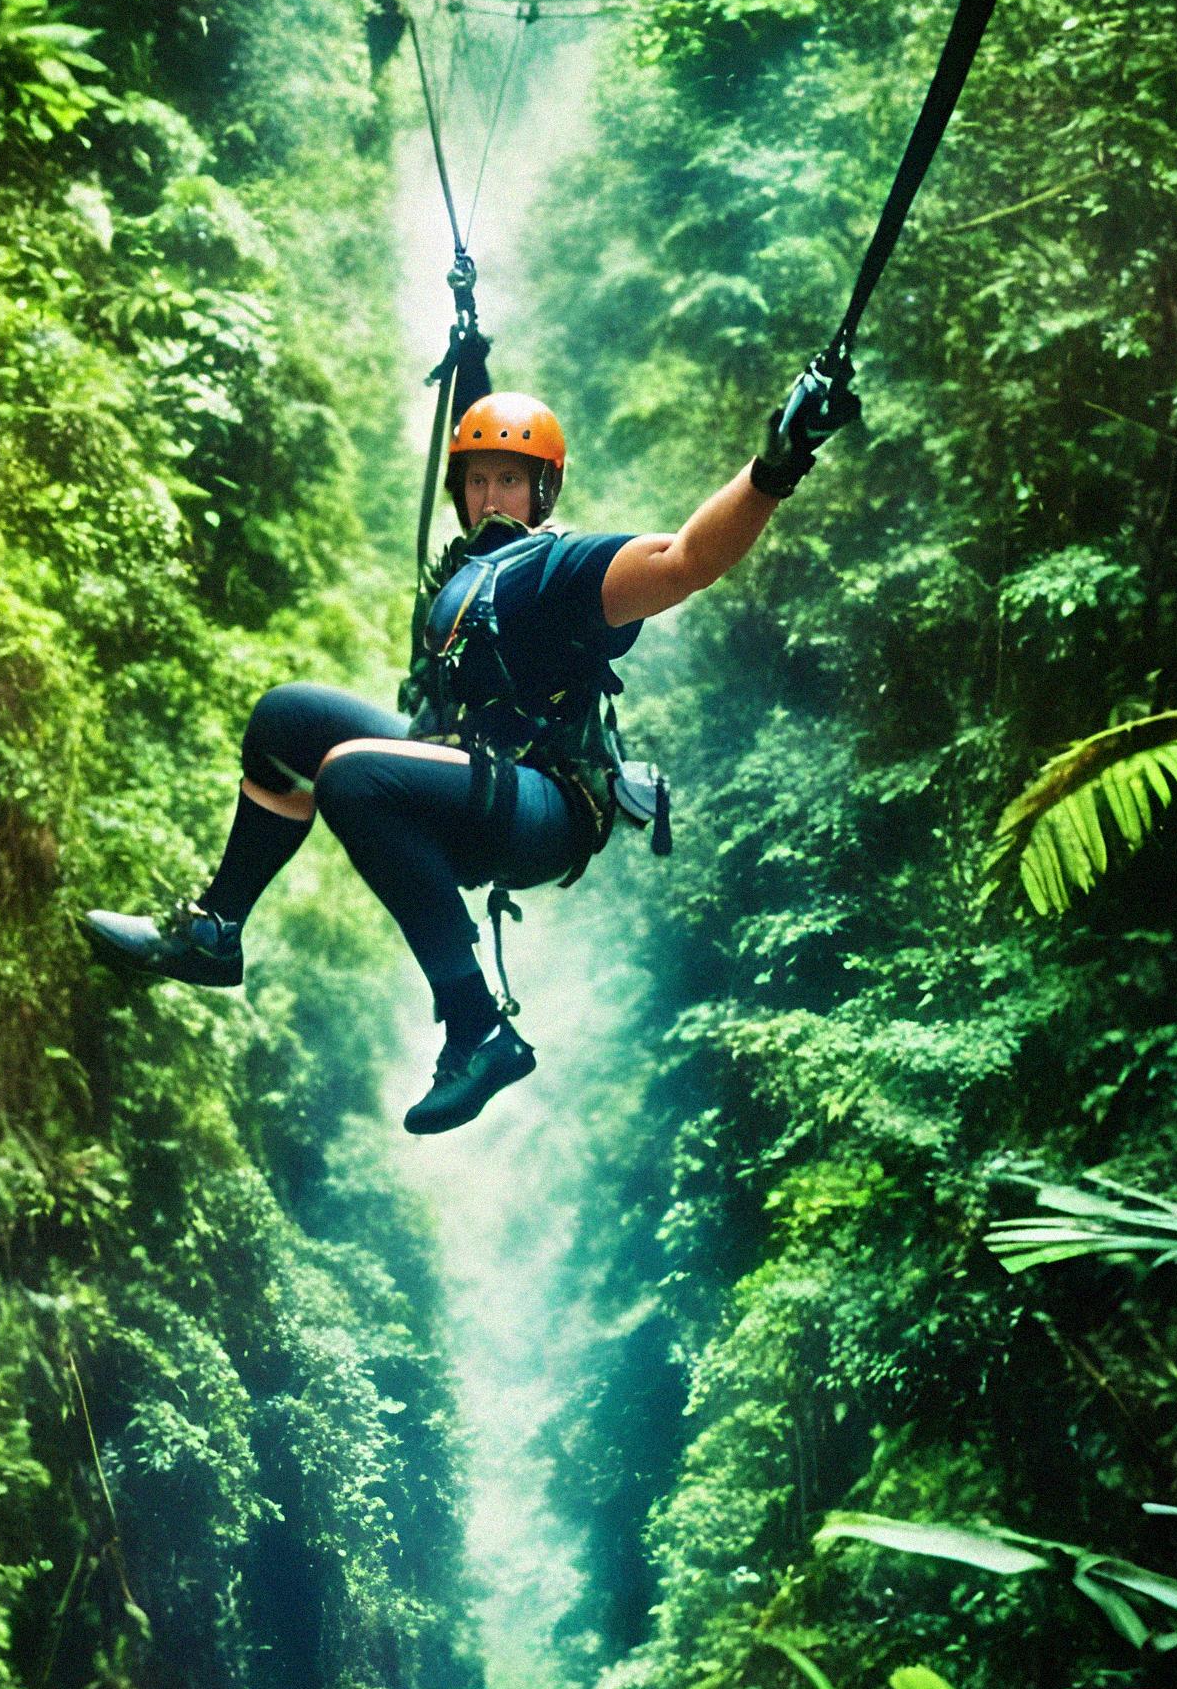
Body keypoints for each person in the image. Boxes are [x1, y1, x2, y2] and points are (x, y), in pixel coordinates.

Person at [82, 359, 857, 1135]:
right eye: (477, 481)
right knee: (285, 720)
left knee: (352, 779)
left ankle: (477, 1027)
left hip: (545, 805)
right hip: (458, 769)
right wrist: (469, 345)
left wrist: (777, 466)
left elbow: (687, 561)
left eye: (510, 482)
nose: (491, 498)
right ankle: (215, 932)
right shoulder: (468, 575)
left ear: (543, 491)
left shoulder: (560, 567)